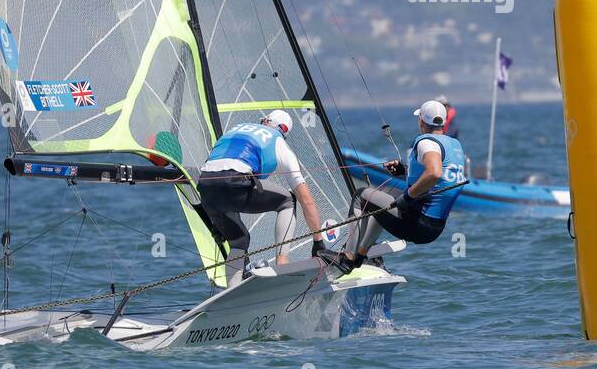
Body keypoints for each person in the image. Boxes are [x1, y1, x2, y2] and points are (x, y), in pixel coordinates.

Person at [329, 99, 467, 274]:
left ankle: (346, 257)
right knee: (379, 205)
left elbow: (434, 173)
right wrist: (404, 171)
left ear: (421, 121)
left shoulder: (426, 142)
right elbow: (441, 178)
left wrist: (408, 196)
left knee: (361, 196)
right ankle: (360, 256)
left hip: (417, 223)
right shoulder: (455, 145)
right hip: (435, 229)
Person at [197, 110, 325, 285]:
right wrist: (318, 243)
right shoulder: (278, 141)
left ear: (265, 121)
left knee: (239, 240)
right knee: (288, 201)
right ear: (283, 130)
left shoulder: (236, 129)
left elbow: (217, 167)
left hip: (205, 187)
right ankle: (282, 266)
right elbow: (307, 200)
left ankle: (232, 292)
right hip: (234, 183)